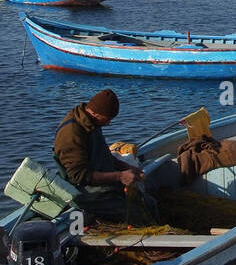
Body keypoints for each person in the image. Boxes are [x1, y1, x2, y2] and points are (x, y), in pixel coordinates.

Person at [53, 89, 167, 223]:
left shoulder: (92, 122)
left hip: (105, 186)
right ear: (95, 112)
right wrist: (120, 176)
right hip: (85, 194)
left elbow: (103, 156)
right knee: (136, 215)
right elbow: (79, 176)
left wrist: (126, 166)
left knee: (149, 204)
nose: (108, 124)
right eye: (106, 119)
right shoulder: (71, 133)